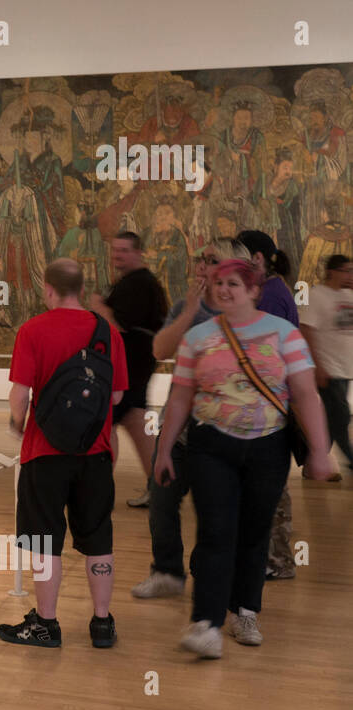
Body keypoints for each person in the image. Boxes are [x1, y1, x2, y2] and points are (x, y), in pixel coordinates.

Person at [155, 259, 332, 659]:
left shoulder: (283, 334)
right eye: (218, 283)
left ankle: (245, 612)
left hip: (268, 447)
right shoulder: (198, 338)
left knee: (254, 533)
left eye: (234, 283)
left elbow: (305, 395)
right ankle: (206, 623)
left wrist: (319, 453)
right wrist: (164, 449)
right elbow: (181, 397)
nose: (224, 290)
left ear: (254, 291)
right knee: (216, 532)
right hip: (210, 446)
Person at [0, 258, 128, 649]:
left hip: (45, 452)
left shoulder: (33, 330)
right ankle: (101, 623)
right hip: (96, 452)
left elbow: (21, 393)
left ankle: (46, 625)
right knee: (98, 537)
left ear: (48, 289)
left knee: (44, 539)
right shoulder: (107, 332)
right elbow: (118, 395)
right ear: (82, 288)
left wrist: (17, 421)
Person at [132, 238, 248, 598]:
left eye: (212, 260)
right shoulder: (187, 306)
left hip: (221, 431)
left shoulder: (247, 313)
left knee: (215, 513)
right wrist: (189, 311)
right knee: (162, 499)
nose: (202, 265)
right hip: (179, 429)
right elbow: (160, 349)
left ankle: (209, 578)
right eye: (202, 258)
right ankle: (167, 571)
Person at [236, 230, 302, 578]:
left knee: (273, 491)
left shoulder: (273, 295)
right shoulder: (272, 290)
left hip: (271, 405)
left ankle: (278, 561)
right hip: (266, 404)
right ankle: (270, 558)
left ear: (258, 259)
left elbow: (268, 352)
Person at [90, 231, 168, 507]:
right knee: (130, 423)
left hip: (130, 366)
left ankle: (98, 494)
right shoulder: (131, 282)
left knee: (110, 423)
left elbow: (119, 326)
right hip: (130, 366)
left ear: (138, 252)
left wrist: (98, 307)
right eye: (115, 250)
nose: (118, 255)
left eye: (124, 250)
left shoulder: (139, 284)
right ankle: (157, 490)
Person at [299, 254, 353, 476]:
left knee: (333, 419)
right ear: (332, 271)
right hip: (328, 369)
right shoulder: (316, 295)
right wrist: (316, 365)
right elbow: (306, 330)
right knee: (341, 415)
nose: (350, 275)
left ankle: (313, 465)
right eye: (346, 270)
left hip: (346, 367)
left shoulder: (349, 295)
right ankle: (351, 459)